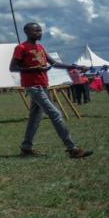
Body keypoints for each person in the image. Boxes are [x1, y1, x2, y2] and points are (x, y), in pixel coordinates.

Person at [10, 22, 93, 159]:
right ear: (27, 32)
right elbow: (13, 68)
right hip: (33, 87)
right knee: (56, 114)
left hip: (43, 86)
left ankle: (26, 148)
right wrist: (34, 70)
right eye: (36, 31)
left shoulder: (40, 47)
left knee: (34, 118)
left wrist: (76, 66)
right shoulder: (21, 48)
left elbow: (54, 63)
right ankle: (72, 148)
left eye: (40, 31)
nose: (39, 33)